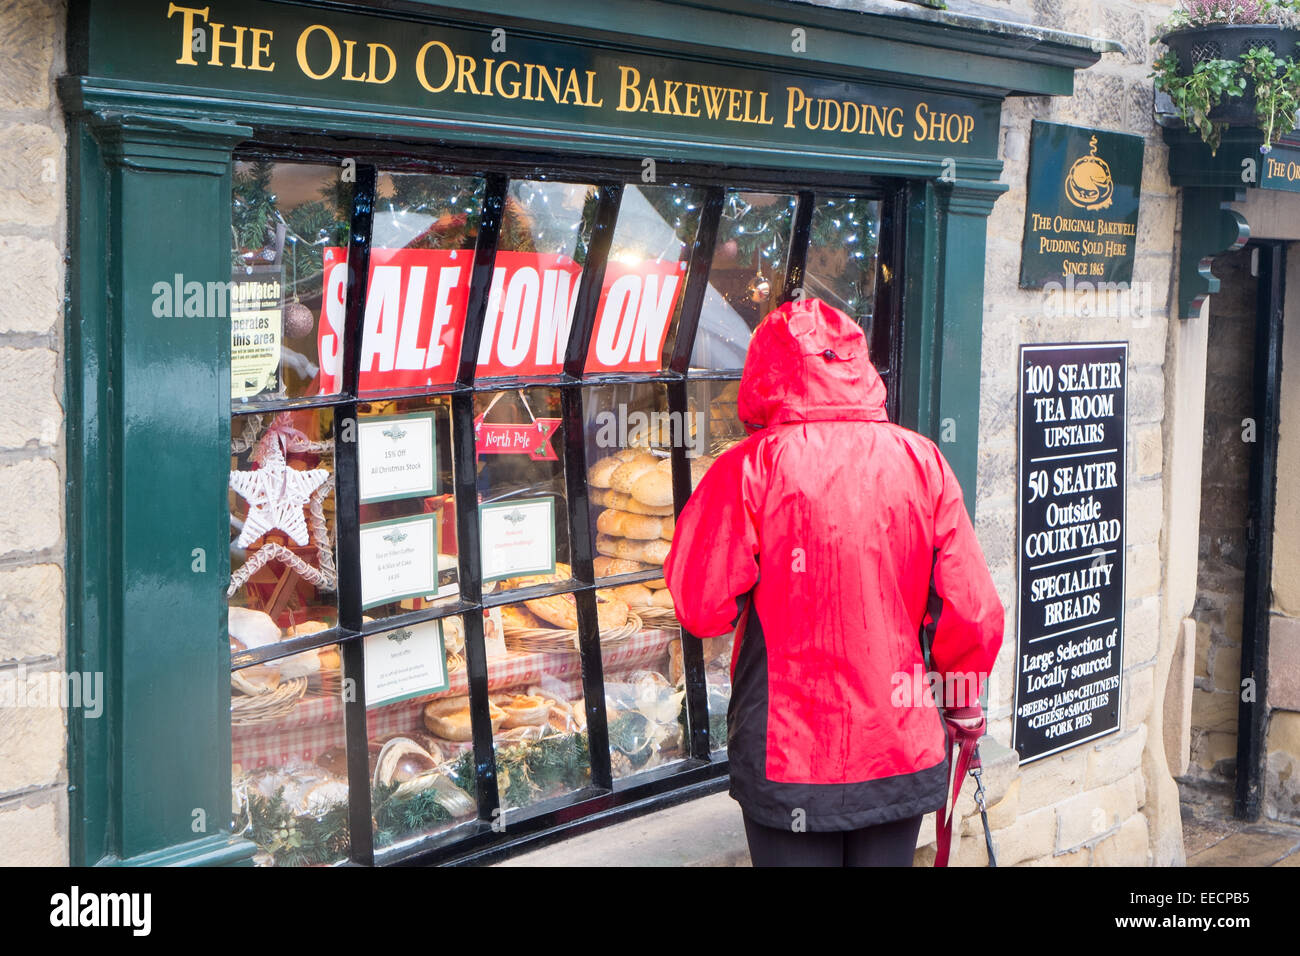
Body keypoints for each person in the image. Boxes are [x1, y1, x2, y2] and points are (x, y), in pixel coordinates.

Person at [664, 297, 1004, 867]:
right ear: (857, 366)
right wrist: (964, 703)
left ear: (765, 373)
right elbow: (970, 608)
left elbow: (701, 608)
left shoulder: (749, 468)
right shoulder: (923, 461)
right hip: (897, 745)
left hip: (789, 751)